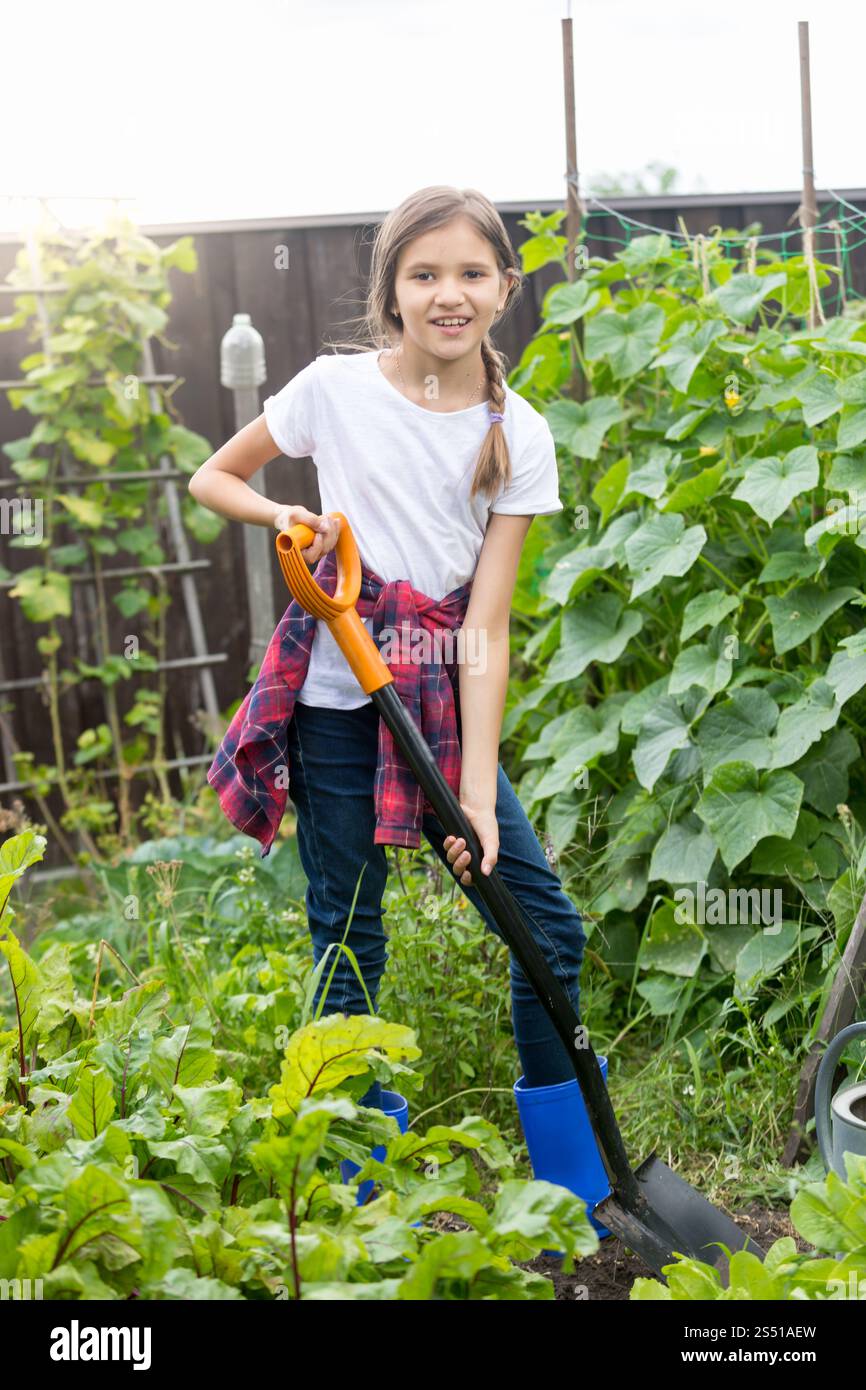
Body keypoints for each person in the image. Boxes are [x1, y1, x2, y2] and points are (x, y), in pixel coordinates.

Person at [190, 185, 588, 1138]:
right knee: (349, 942)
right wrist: (282, 514)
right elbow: (214, 475)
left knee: (547, 932)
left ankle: (568, 1171)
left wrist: (480, 796)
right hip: (337, 701)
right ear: (393, 293)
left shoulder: (521, 434)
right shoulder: (334, 390)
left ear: (504, 288)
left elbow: (483, 629)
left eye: (470, 273)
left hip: (442, 705)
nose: (447, 293)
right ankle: (366, 1167)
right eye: (424, 274)